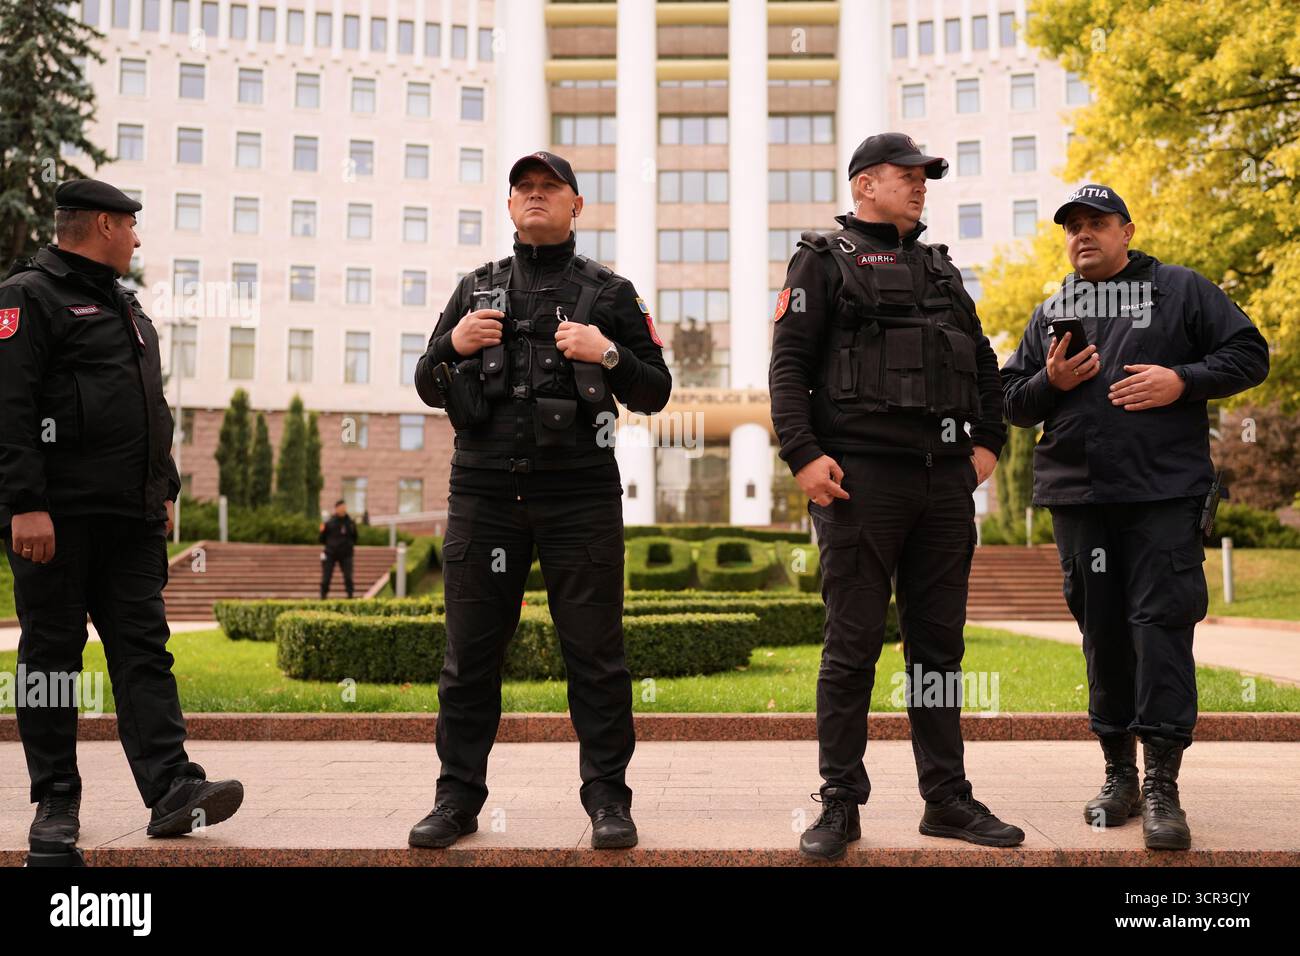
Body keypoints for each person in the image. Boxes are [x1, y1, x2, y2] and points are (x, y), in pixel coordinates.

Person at [768, 133, 1024, 861]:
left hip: (942, 481)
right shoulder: (821, 259)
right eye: (905, 175)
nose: (919, 185)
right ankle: (840, 800)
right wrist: (803, 454)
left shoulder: (940, 269)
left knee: (939, 651)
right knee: (851, 647)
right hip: (858, 481)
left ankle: (946, 797)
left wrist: (988, 444)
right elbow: (788, 365)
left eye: (924, 177)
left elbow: (981, 363)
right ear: (863, 185)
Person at [411, 150, 671, 850]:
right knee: (469, 656)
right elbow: (426, 383)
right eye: (522, 188)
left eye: (549, 188)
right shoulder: (476, 288)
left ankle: (609, 800)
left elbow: (656, 390)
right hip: (484, 494)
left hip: (579, 496)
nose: (534, 197)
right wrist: (451, 347)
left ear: (576, 206)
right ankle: (457, 800)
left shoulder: (610, 292)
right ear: (508, 206)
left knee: (596, 656)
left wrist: (607, 352)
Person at [1001, 184, 1269, 850]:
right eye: (1072, 227)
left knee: (1160, 631)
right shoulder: (1053, 310)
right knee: (1103, 634)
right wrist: (1050, 384)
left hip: (1162, 499)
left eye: (1097, 223)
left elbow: (1249, 354)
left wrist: (1183, 380)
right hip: (1080, 502)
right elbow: (1010, 401)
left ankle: (1162, 787)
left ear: (1127, 230)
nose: (1083, 235)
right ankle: (1118, 773)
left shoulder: (1181, 290)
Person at [0, 180, 244, 864]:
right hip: (58, 517)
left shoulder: (128, 310)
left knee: (144, 649)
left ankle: (171, 787)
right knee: (52, 656)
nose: (139, 240)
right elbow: (11, 407)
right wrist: (24, 502)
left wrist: (162, 494)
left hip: (131, 520)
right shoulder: (29, 296)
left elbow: (149, 414)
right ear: (104, 224)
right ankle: (55, 801)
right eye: (132, 227)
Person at [319, 498, 358, 599]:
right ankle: (323, 596)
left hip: (346, 554)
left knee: (348, 577)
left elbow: (355, 538)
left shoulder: (350, 522)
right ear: (336, 509)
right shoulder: (329, 523)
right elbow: (321, 539)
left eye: (344, 507)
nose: (342, 509)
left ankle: (350, 597)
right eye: (340, 507)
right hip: (330, 553)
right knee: (326, 578)